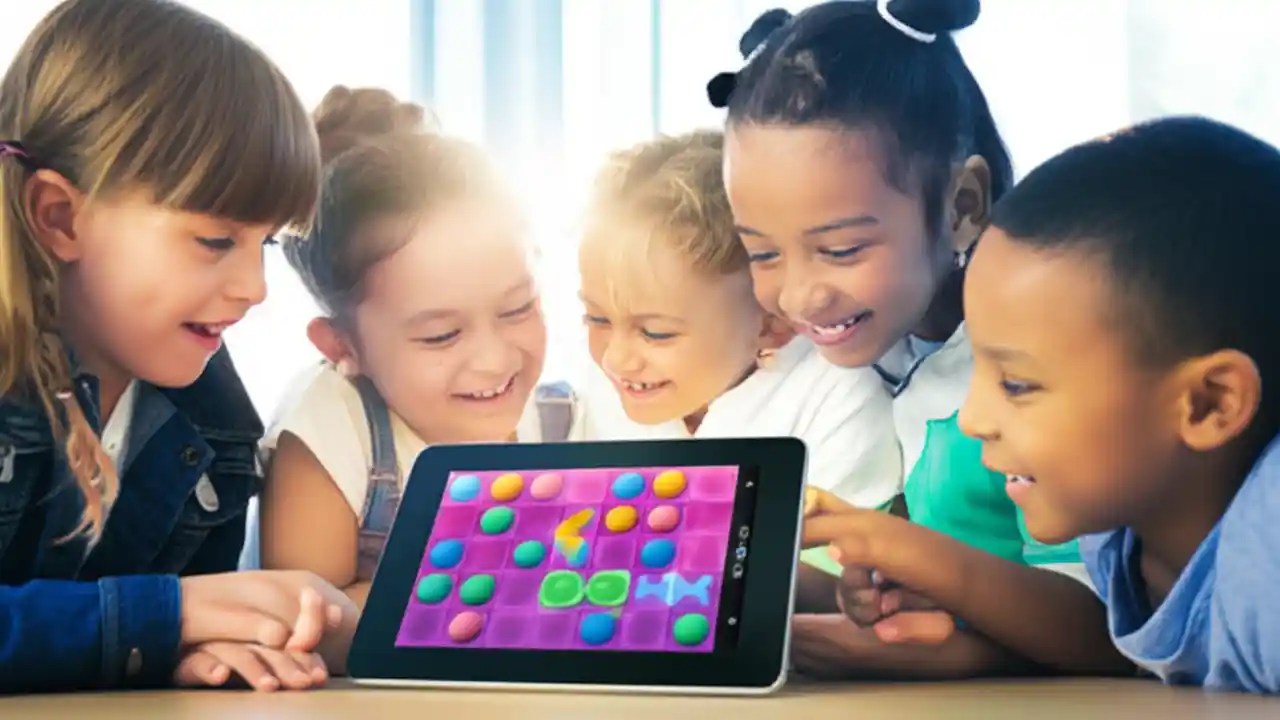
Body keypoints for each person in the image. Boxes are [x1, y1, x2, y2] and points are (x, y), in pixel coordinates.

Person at [810, 116, 1280, 693]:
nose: (973, 419)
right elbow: (1110, 651)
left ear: (1208, 404)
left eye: (1016, 385)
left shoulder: (1267, 560)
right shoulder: (1116, 534)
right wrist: (926, 571)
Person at [711, 0, 1088, 676]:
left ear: (962, 206)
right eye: (764, 254)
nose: (798, 296)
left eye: (843, 248)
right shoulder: (884, 350)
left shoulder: (1048, 370)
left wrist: (910, 562)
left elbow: (1108, 628)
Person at [0, 0, 356, 693]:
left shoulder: (218, 431)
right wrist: (166, 616)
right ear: (60, 216)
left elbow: (165, 633)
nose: (255, 288)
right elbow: (164, 612)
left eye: (266, 243)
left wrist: (187, 647)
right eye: (216, 241)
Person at [255, 86, 580, 610]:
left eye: (518, 308)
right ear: (342, 345)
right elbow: (308, 612)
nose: (495, 359)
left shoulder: (566, 416)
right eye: (441, 336)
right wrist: (494, 598)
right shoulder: (330, 430)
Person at [576, 129, 899, 506]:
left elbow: (838, 558)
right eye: (596, 319)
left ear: (772, 323)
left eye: (655, 333)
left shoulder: (837, 403)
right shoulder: (605, 394)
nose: (615, 359)